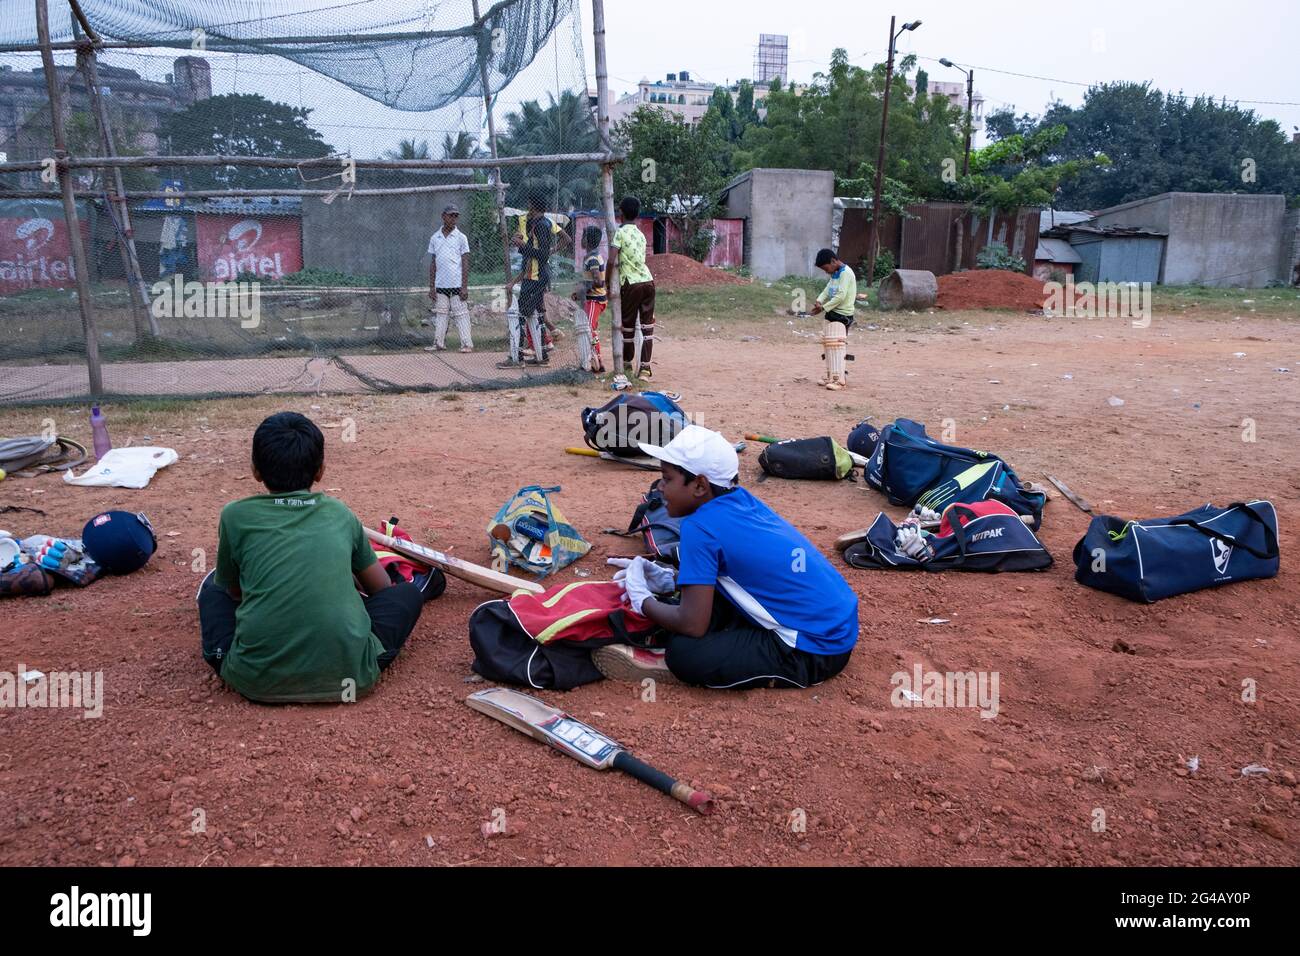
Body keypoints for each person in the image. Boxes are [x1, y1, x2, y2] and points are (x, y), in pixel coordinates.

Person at [592, 425, 858, 689]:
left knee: (685, 653)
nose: (660, 487)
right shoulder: (741, 500)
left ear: (699, 485)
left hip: (816, 649)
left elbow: (692, 624)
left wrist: (643, 599)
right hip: (836, 623)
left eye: (667, 478)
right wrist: (672, 579)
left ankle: (669, 660)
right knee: (691, 602)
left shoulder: (699, 528)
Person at [196, 412, 434, 703]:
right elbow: (381, 589)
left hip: (255, 682)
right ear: (320, 470)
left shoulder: (235, 516)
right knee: (407, 594)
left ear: (255, 470)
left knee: (212, 590)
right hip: (352, 676)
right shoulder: (341, 514)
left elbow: (234, 592)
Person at [605, 195, 656, 380]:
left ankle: (626, 365)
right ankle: (644, 369)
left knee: (627, 327)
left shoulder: (620, 232)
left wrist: (606, 282)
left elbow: (611, 260)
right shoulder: (641, 234)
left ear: (621, 213)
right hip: (648, 281)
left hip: (632, 284)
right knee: (647, 326)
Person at [503, 194, 554, 366]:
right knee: (535, 314)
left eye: (529, 206)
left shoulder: (540, 225)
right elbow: (537, 252)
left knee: (519, 314)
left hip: (535, 276)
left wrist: (522, 245)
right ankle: (542, 355)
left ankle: (516, 357)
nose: (528, 210)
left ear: (533, 207)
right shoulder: (542, 224)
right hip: (535, 275)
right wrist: (522, 244)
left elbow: (543, 254)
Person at [427, 204, 473, 352]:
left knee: (461, 314)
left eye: (456, 216)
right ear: (443, 216)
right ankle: (438, 343)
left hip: (456, 283)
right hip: (441, 284)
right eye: (451, 215)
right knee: (441, 313)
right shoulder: (435, 237)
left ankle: (467, 344)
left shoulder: (461, 237)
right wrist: (431, 286)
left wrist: (464, 286)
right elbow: (433, 263)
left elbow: (465, 261)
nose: (454, 218)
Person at [810, 248, 857, 390]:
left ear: (833, 261)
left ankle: (839, 379)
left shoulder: (846, 273)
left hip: (843, 314)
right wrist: (819, 300)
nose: (826, 271)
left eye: (826, 268)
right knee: (828, 345)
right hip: (832, 311)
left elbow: (841, 296)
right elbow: (828, 289)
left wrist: (823, 307)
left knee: (837, 347)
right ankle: (831, 375)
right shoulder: (835, 273)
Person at [572, 224, 606, 373]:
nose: (581, 239)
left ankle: (594, 361)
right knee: (592, 330)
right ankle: (597, 360)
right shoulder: (591, 256)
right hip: (593, 299)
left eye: (583, 236)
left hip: (594, 300)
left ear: (588, 240)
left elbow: (598, 282)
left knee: (589, 329)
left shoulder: (592, 258)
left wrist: (583, 288)